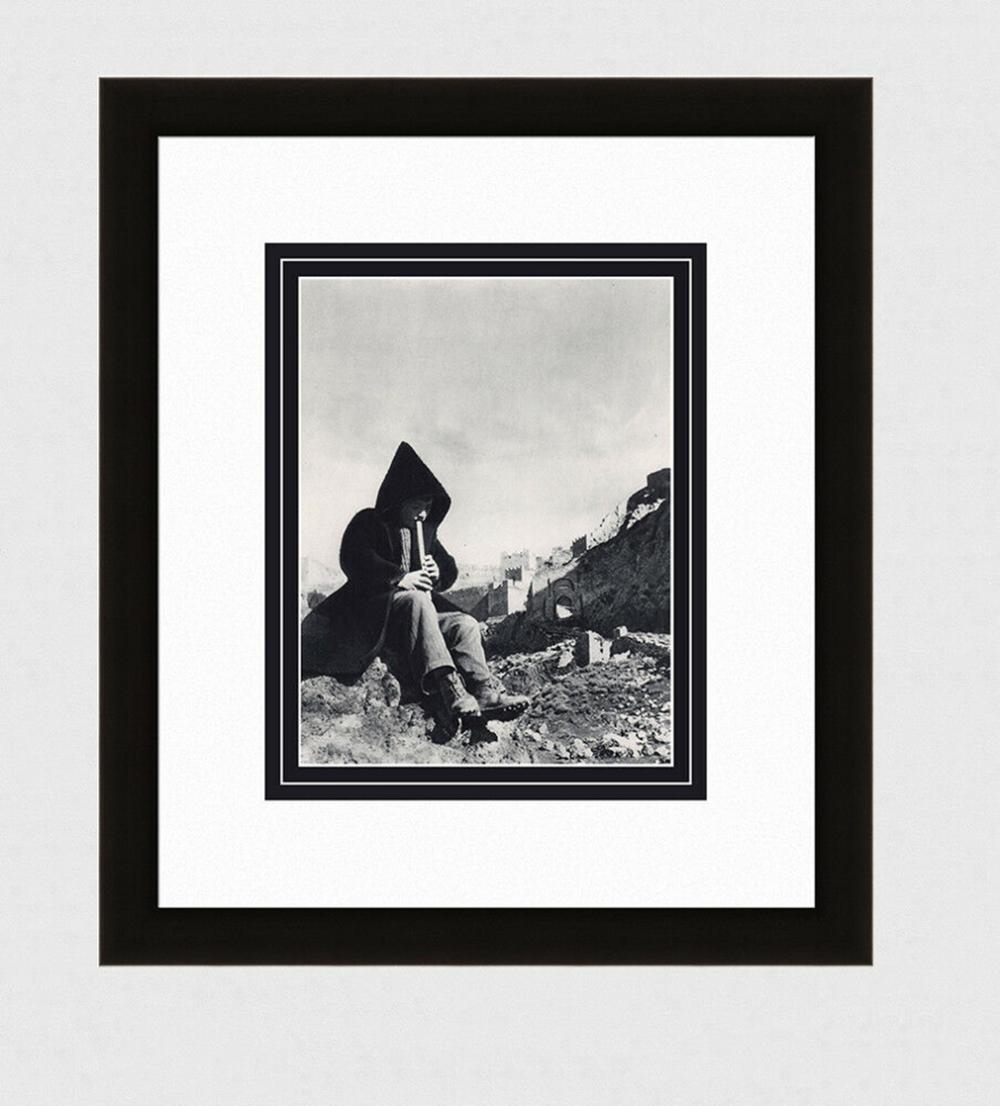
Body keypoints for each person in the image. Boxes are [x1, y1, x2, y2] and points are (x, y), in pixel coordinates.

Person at [301, 441, 529, 722]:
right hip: (375, 613)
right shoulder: (369, 522)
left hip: (418, 617)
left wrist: (439, 573)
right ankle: (450, 688)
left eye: (428, 506)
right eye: (418, 505)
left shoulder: (426, 533)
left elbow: (449, 567)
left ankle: (484, 690)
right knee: (416, 598)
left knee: (465, 624)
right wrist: (399, 578)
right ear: (400, 500)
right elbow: (354, 558)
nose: (423, 514)